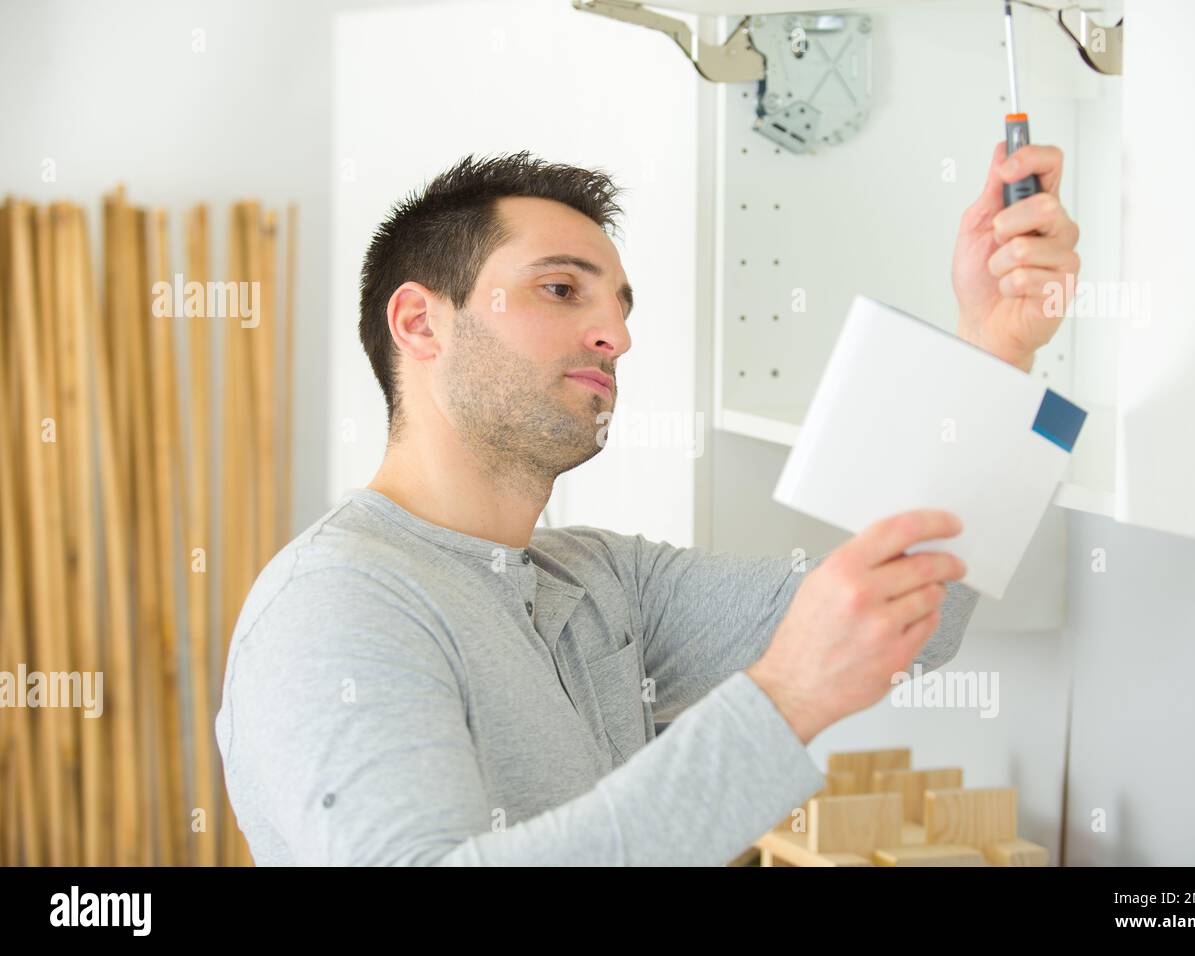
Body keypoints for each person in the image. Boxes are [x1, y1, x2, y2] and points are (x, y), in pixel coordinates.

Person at [216, 146, 1080, 865]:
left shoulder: (599, 579)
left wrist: (995, 342)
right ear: (419, 324)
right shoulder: (338, 602)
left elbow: (911, 617)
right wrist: (784, 702)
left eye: (620, 308)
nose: (617, 335)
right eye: (562, 289)